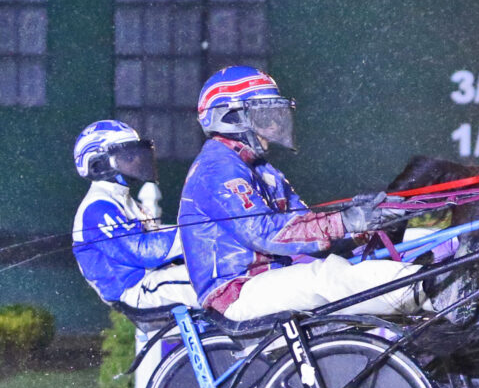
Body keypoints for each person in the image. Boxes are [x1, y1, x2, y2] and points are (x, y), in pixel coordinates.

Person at [177, 66, 418, 322]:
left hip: (266, 280)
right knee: (325, 276)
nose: (274, 125)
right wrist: (345, 221)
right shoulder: (216, 168)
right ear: (231, 118)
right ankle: (425, 289)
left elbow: (304, 229)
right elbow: (265, 234)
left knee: (359, 263)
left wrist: (364, 223)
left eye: (276, 115)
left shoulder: (263, 171)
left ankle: (423, 295)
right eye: (264, 116)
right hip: (236, 291)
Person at [71, 120, 198, 311]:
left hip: (151, 279)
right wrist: (198, 233)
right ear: (98, 165)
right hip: (134, 289)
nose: (138, 161)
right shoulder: (97, 207)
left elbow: (155, 235)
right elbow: (143, 251)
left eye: (137, 155)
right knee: (215, 280)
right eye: (128, 157)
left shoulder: (124, 201)